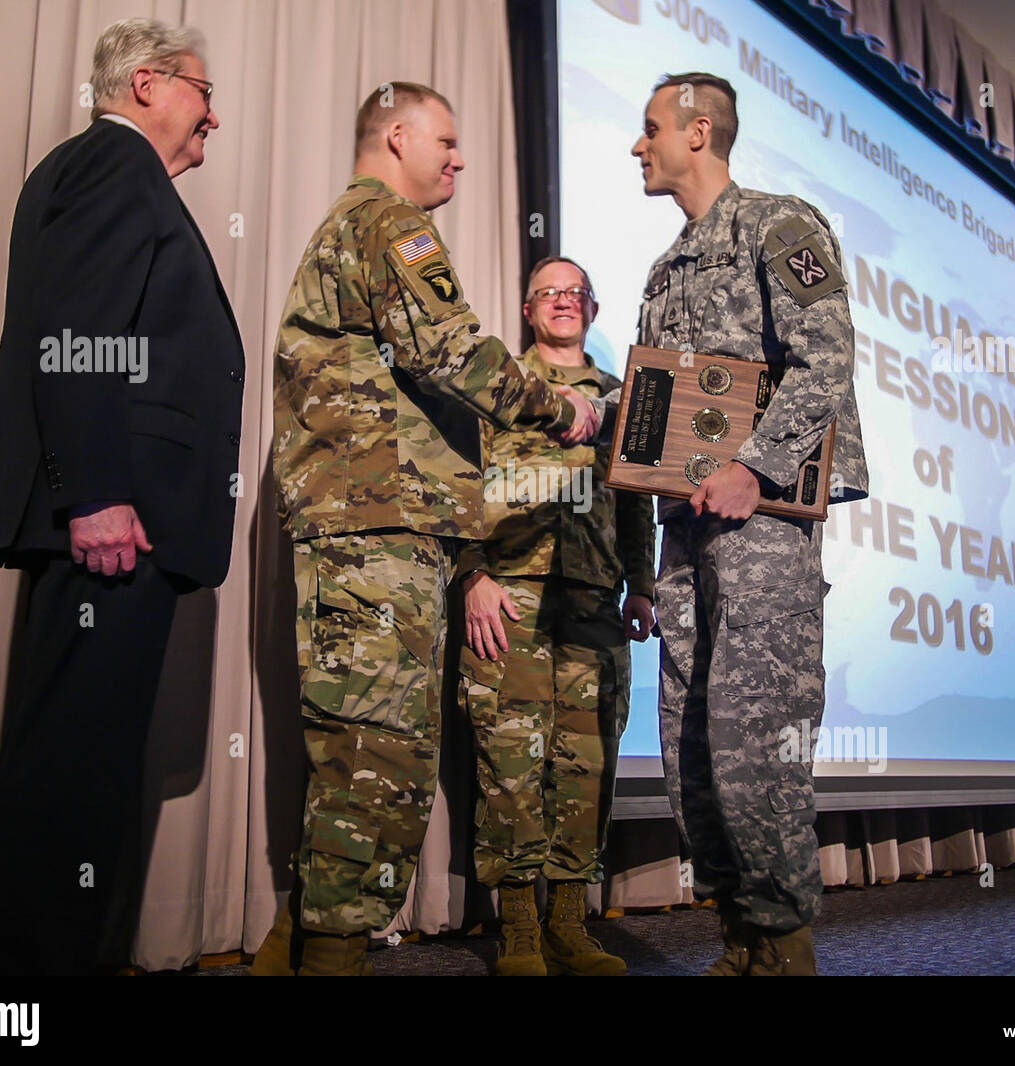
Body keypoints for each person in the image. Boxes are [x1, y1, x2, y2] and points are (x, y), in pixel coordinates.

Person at [259, 82, 600, 977]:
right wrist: (556, 408)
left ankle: (296, 948)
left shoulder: (354, 228)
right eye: (444, 142)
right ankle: (330, 958)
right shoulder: (390, 226)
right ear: (397, 135)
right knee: (381, 757)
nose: (456, 160)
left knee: (360, 750)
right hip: (373, 526)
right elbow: (452, 351)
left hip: (373, 522)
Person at [0, 17, 243, 975]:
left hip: (125, 526)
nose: (215, 115)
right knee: (67, 780)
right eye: (205, 93)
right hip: (111, 526)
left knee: (83, 774)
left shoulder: (114, 175)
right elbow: (74, 338)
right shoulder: (111, 167)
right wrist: (94, 496)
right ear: (149, 86)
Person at [627, 72, 868, 975]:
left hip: (761, 521)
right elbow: (665, 403)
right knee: (689, 732)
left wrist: (753, 468)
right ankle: (742, 937)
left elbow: (825, 361)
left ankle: (784, 947)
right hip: (685, 528)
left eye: (649, 129)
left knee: (753, 728)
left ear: (698, 132)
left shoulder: (781, 224)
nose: (637, 145)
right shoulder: (665, 268)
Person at [455, 257, 656, 976]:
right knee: (510, 760)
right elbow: (456, 482)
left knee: (586, 764)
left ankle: (569, 924)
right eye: (549, 293)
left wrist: (643, 586)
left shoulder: (621, 398)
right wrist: (470, 573)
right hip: (510, 593)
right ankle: (517, 933)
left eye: (575, 293)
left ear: (592, 311)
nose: (563, 302)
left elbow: (637, 498)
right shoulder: (497, 385)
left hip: (596, 599)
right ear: (529, 309)